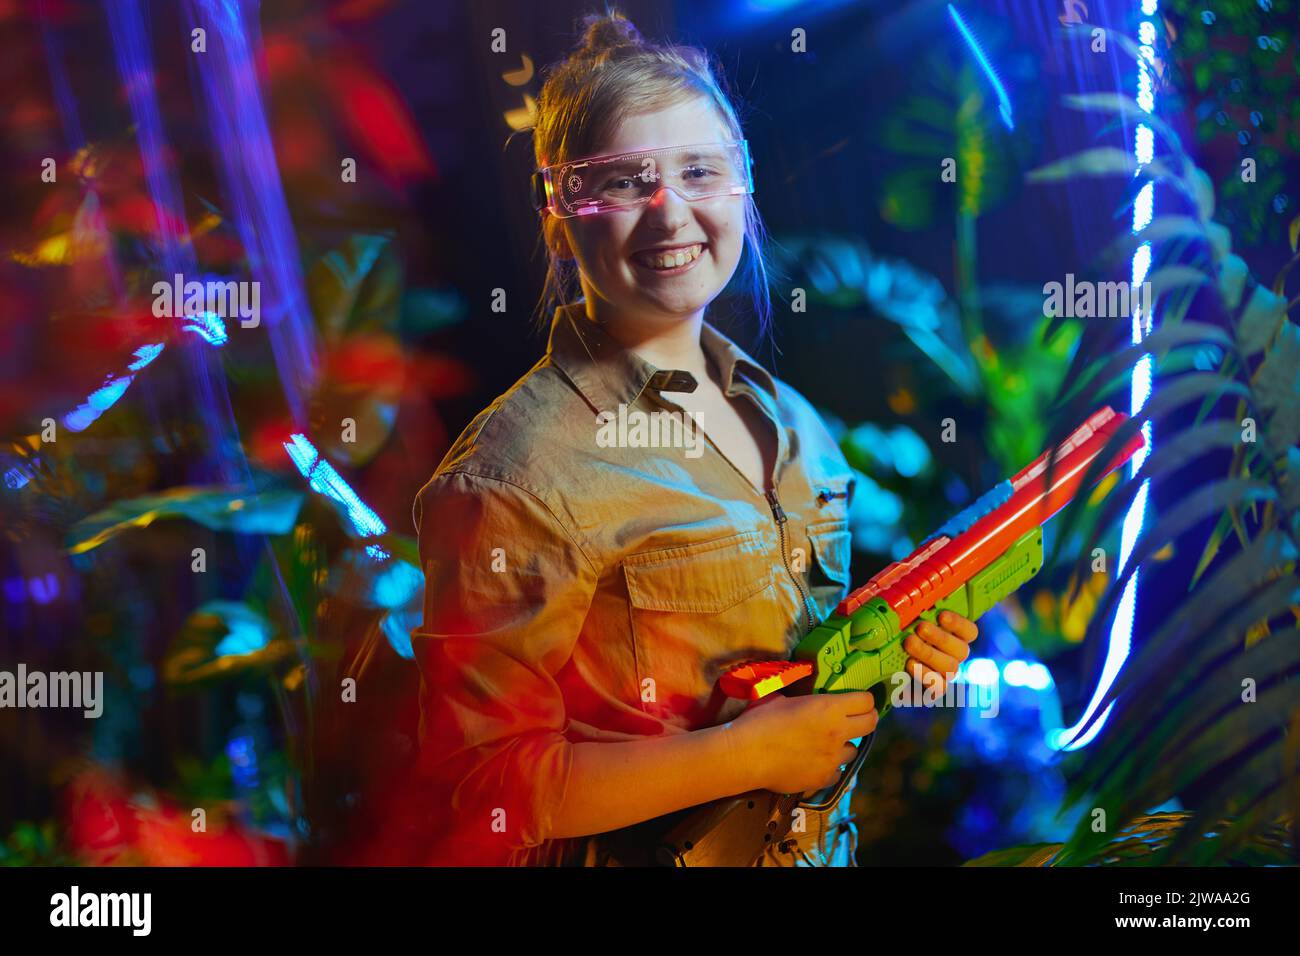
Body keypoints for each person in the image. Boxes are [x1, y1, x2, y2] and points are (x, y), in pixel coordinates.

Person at [408, 8, 979, 866]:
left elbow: (800, 683)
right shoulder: (517, 474)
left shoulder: (795, 427)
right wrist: (743, 755)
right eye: (628, 180)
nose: (670, 212)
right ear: (560, 211)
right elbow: (479, 785)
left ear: (743, 191)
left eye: (699, 172)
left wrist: (897, 655)